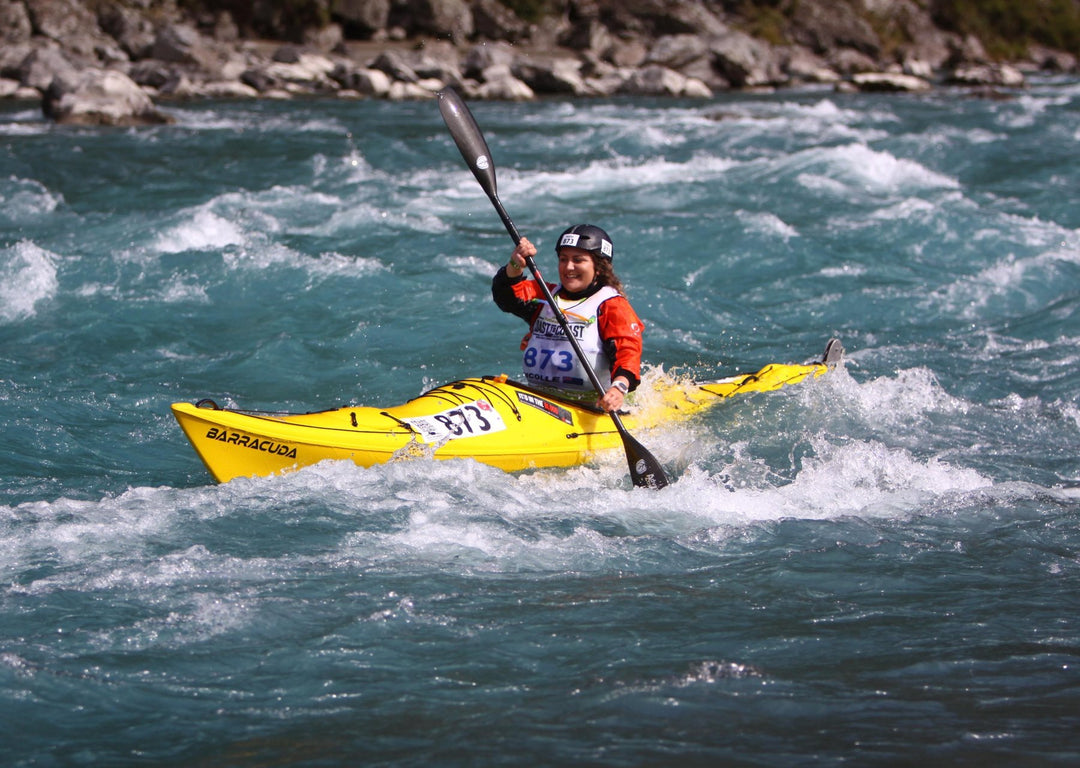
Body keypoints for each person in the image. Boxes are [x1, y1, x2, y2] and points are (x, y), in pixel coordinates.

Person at [491, 224, 644, 413]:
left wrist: (618, 388)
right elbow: (507, 297)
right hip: (538, 399)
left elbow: (627, 353)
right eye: (563, 259)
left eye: (578, 260)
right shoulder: (545, 295)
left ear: (599, 266)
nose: (569, 267)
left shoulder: (611, 305)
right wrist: (515, 265)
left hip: (590, 407)